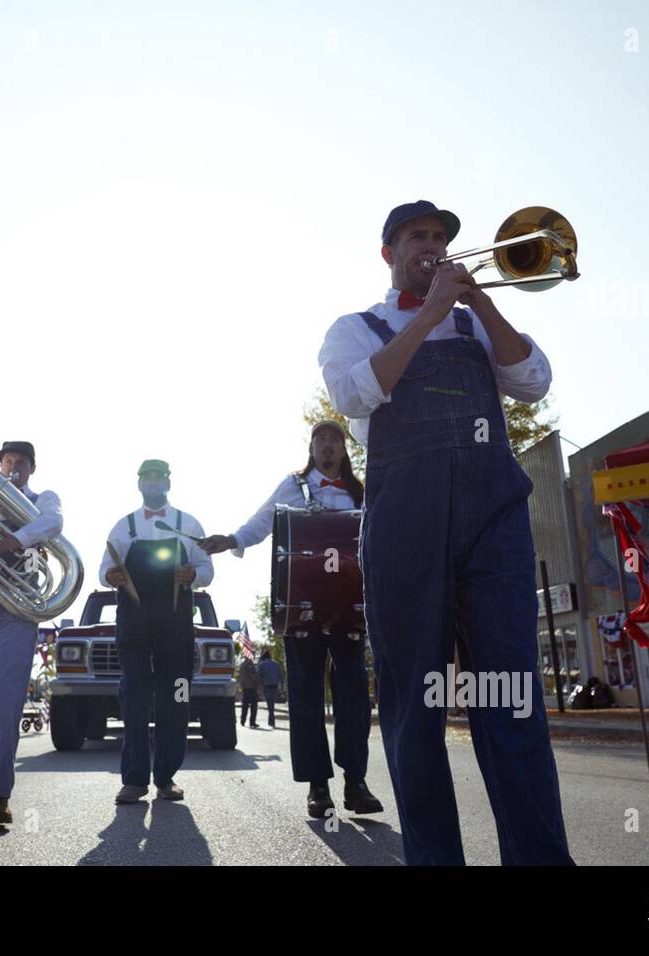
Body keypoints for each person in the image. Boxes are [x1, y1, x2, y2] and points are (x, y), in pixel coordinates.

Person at [318, 199, 572, 865]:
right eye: (417, 237)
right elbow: (352, 397)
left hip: (493, 520)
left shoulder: (475, 323)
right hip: (406, 522)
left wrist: (481, 306)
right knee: (413, 706)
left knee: (511, 695)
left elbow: (533, 382)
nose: (432, 246)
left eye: (440, 237)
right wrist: (429, 314)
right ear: (389, 253)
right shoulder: (356, 327)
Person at [200, 420, 383, 818]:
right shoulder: (294, 486)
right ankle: (318, 787)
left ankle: (356, 782)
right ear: (312, 448)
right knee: (305, 695)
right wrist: (232, 539)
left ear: (344, 449)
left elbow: (381, 537)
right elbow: (263, 521)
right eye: (321, 440)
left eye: (335, 440)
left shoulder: (361, 492)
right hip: (302, 605)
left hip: (351, 607)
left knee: (353, 694)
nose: (328, 446)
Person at [0, 441, 63, 826]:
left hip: (18, 596)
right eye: (7, 462)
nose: (14, 467)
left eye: (21, 463)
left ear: (32, 468)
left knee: (7, 697)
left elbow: (53, 525)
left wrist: (3, 544)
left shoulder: (43, 499)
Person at [99, 460, 213, 804]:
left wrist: (193, 576)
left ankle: (166, 777)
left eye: (158, 476)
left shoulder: (188, 523)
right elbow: (105, 568)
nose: (152, 482)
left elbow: (207, 568)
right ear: (139, 484)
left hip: (176, 623)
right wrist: (111, 577)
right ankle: (134, 780)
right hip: (133, 621)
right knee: (133, 697)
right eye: (146, 477)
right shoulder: (124, 526)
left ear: (167, 482)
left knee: (176, 696)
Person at [257, 650, 282, 728]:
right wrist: (281, 687)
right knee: (272, 704)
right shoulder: (276, 664)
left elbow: (259, 677)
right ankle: (271, 721)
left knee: (270, 705)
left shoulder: (262, 665)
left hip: (267, 686)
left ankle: (272, 721)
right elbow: (281, 676)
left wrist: (259, 687)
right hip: (274, 686)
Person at [237, 654, 260, 728]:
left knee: (245, 706)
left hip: (245, 687)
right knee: (253, 707)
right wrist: (256, 682)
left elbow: (240, 676)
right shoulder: (249, 664)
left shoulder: (242, 665)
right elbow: (253, 676)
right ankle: (252, 722)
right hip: (251, 687)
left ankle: (243, 721)